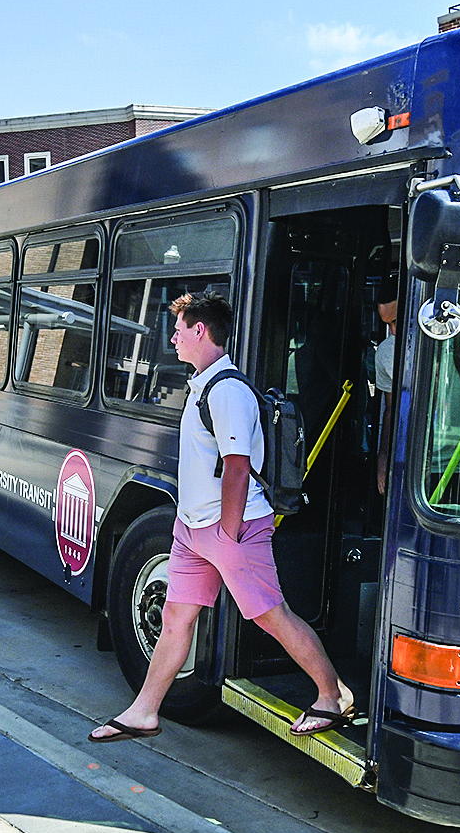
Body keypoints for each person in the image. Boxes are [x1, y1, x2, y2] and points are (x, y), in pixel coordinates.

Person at [90, 291, 353, 743]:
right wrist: (193, 527)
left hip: (229, 530)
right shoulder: (202, 385)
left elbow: (236, 465)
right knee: (175, 618)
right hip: (193, 531)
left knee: (272, 615)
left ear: (199, 331)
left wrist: (227, 536)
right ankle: (144, 711)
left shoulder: (228, 391)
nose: (172, 338)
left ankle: (332, 695)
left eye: (178, 330)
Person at [373, 298, 398, 495]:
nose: (393, 331)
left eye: (396, 322)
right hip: (414, 460)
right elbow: (392, 408)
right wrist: (383, 456)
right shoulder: (387, 350)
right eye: (387, 324)